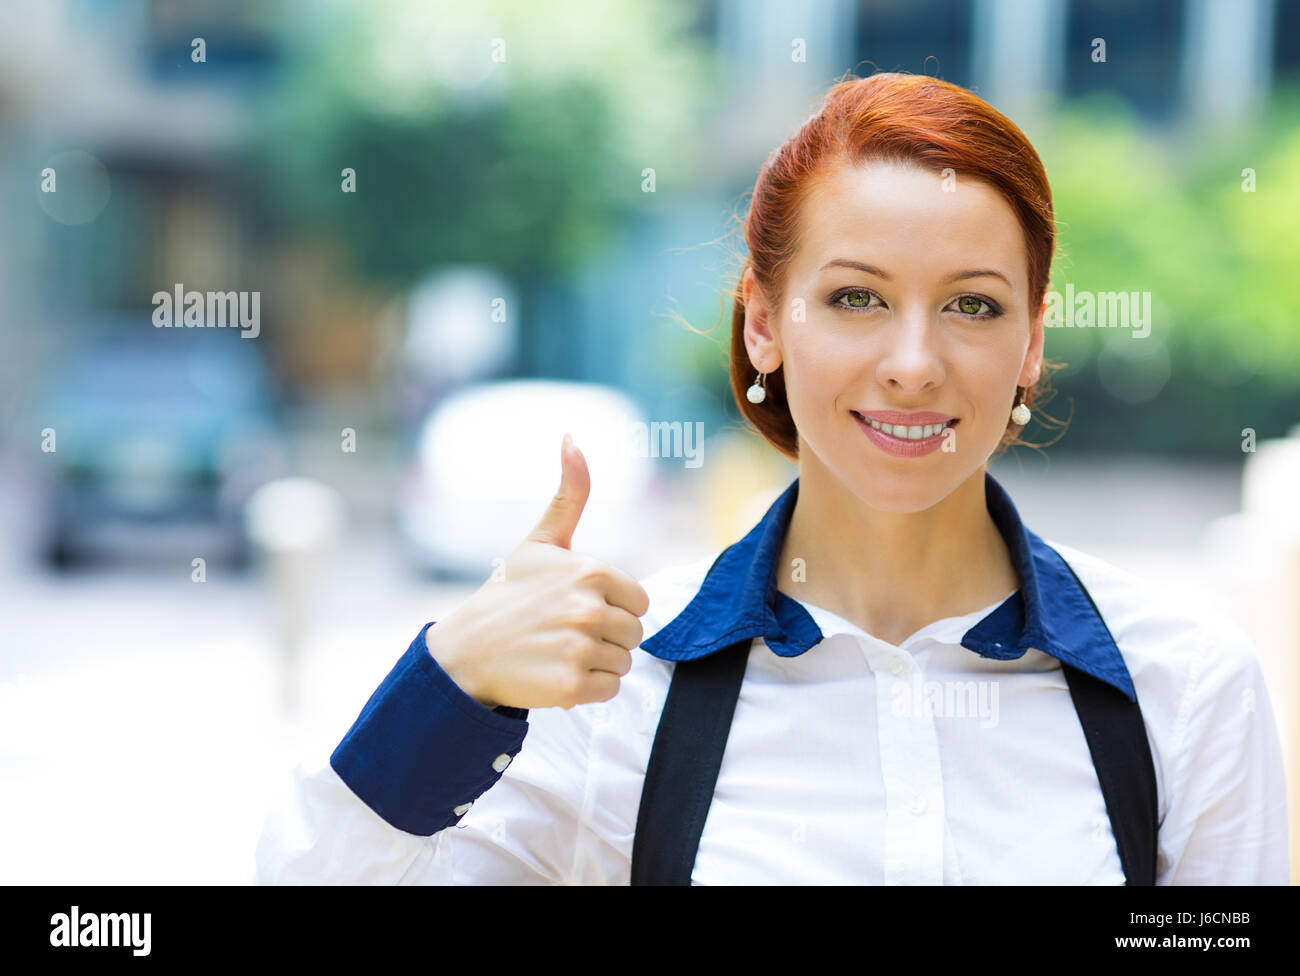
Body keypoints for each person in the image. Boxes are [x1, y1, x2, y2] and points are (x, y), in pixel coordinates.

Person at [254, 71, 1289, 885]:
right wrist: (448, 679)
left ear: (1030, 342)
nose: (914, 362)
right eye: (854, 298)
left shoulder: (1184, 689)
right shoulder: (620, 690)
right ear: (762, 322)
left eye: (972, 305)